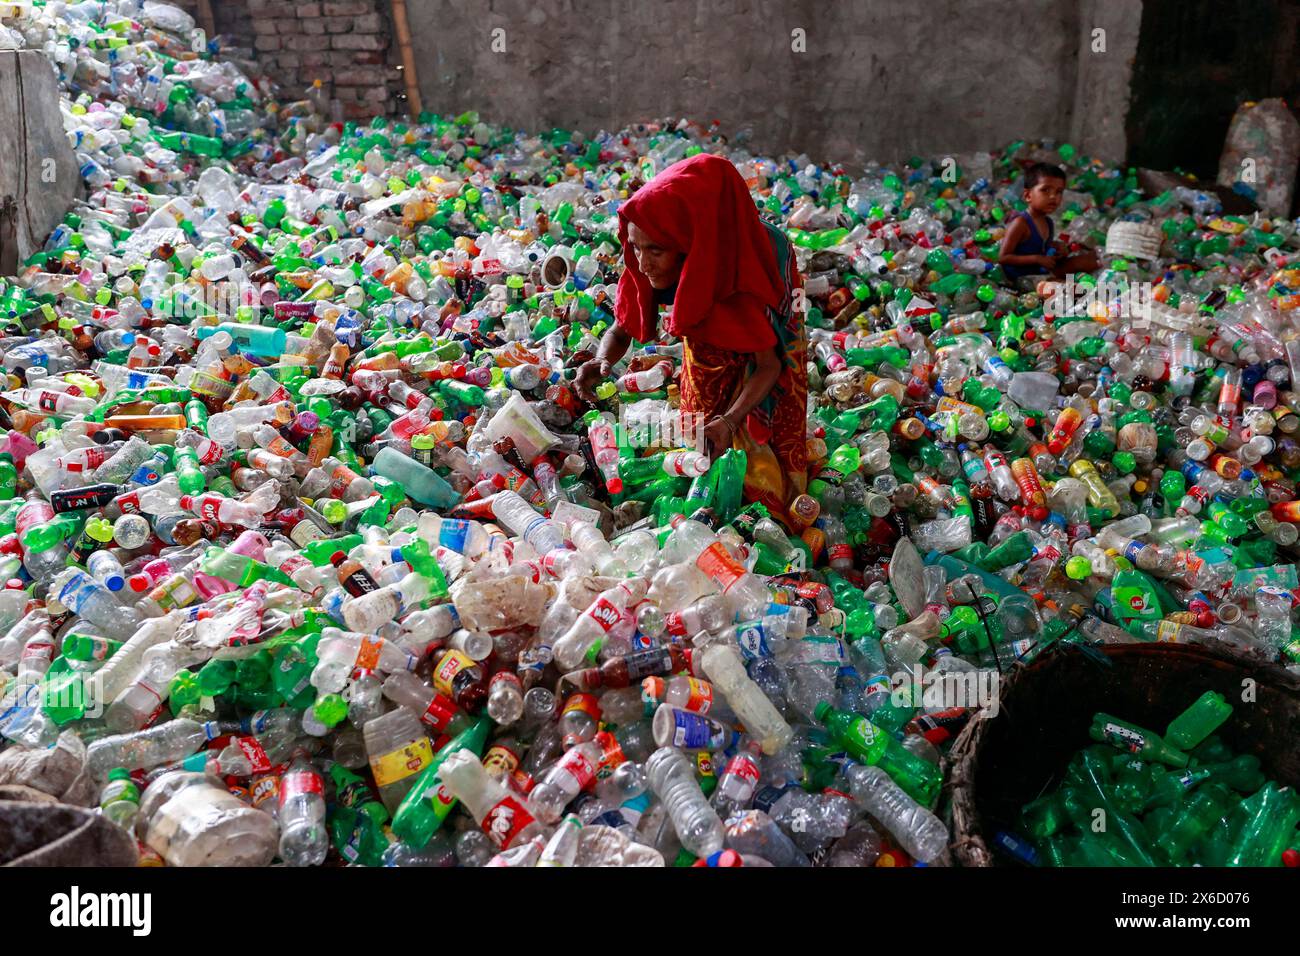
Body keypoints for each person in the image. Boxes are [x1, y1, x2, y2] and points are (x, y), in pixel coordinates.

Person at [574, 153, 808, 515]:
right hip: (703, 374)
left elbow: (769, 365)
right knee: (693, 460)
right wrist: (602, 359)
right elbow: (622, 328)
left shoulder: (732, 279)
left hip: (748, 388)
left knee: (758, 495)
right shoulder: (652, 261)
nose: (642, 262)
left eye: (655, 250)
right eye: (635, 247)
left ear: (689, 250)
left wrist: (730, 421)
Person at [998, 162, 1099, 282]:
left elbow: (1040, 247)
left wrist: (1058, 249)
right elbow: (1003, 257)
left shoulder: (1048, 222)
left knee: (1091, 259)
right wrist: (1036, 258)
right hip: (1023, 277)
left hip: (1042, 270)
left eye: (1058, 192)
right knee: (1068, 286)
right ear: (1027, 195)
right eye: (1045, 190)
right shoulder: (1020, 223)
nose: (1053, 197)